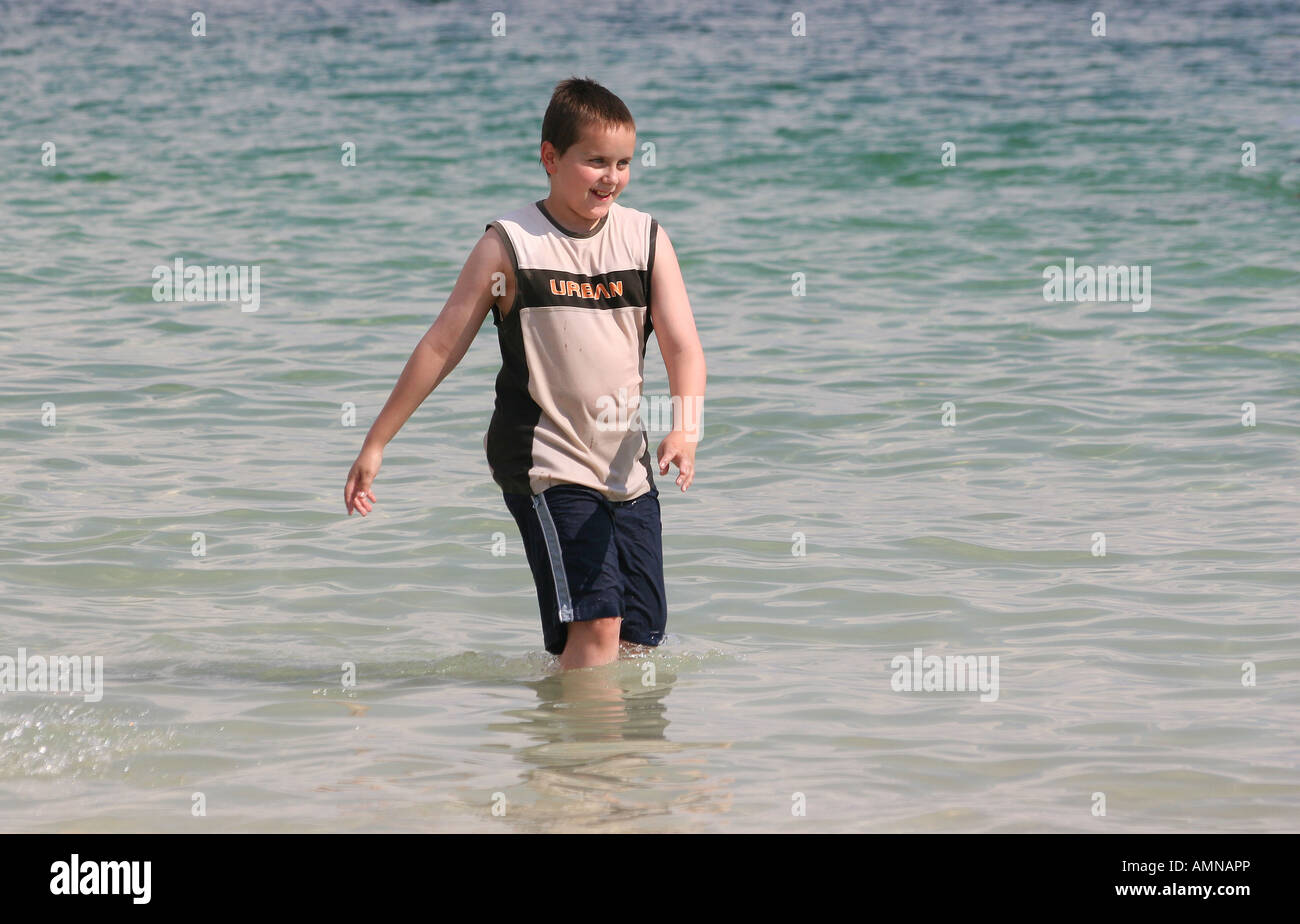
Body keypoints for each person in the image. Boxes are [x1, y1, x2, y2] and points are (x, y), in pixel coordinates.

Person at [343, 76, 706, 670]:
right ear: (549, 158)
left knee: (641, 636)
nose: (610, 176)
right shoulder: (509, 246)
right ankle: (584, 757)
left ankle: (595, 754)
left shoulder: (646, 239)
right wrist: (377, 442)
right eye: (594, 161)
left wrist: (686, 428)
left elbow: (684, 348)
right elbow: (440, 346)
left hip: (626, 464)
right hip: (546, 461)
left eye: (623, 162)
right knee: (596, 622)